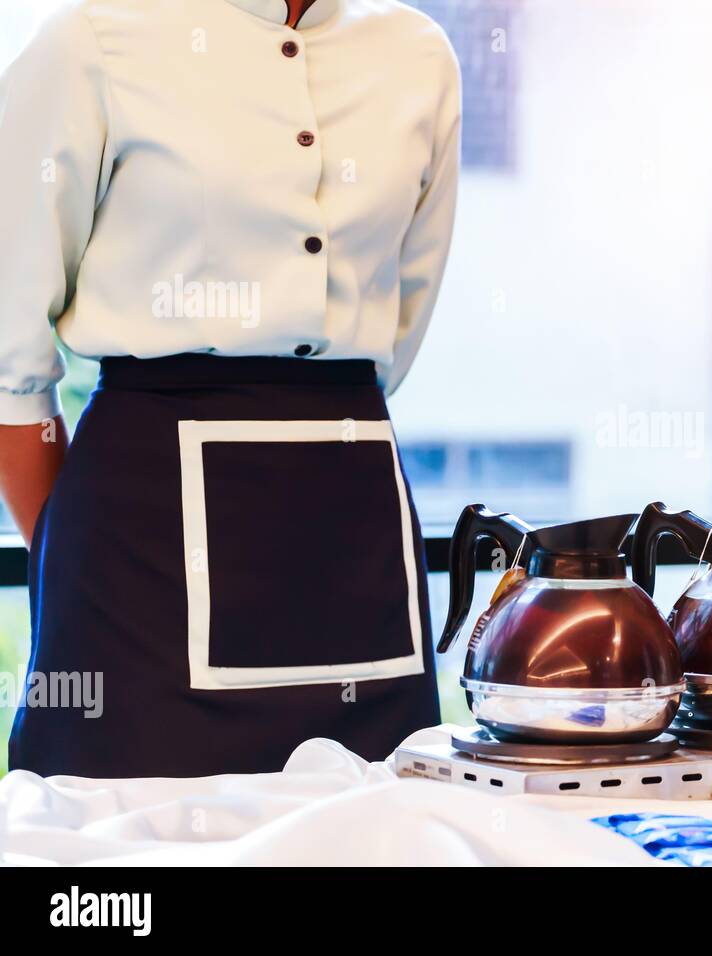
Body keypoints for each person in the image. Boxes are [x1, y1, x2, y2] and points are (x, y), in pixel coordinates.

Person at [0, 0, 461, 777]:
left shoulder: (417, 54)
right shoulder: (94, 39)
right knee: (126, 837)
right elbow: (9, 370)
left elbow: (400, 324)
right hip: (133, 550)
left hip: (355, 536)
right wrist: (75, 556)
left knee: (379, 830)